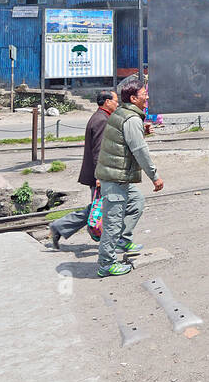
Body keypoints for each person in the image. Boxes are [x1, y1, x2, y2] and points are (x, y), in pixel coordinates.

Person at [92, 77, 164, 277]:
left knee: (137, 201)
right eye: (144, 94)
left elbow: (127, 140)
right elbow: (139, 150)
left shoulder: (123, 113)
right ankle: (106, 264)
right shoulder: (131, 118)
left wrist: (143, 132)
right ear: (133, 98)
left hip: (117, 175)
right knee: (113, 221)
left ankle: (123, 239)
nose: (147, 96)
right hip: (115, 177)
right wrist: (155, 176)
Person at [50, 91, 116, 249]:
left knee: (99, 207)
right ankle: (60, 226)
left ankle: (60, 227)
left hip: (97, 173)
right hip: (99, 174)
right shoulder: (101, 120)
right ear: (107, 102)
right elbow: (99, 150)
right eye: (115, 101)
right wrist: (100, 175)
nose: (117, 104)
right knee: (102, 208)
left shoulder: (100, 117)